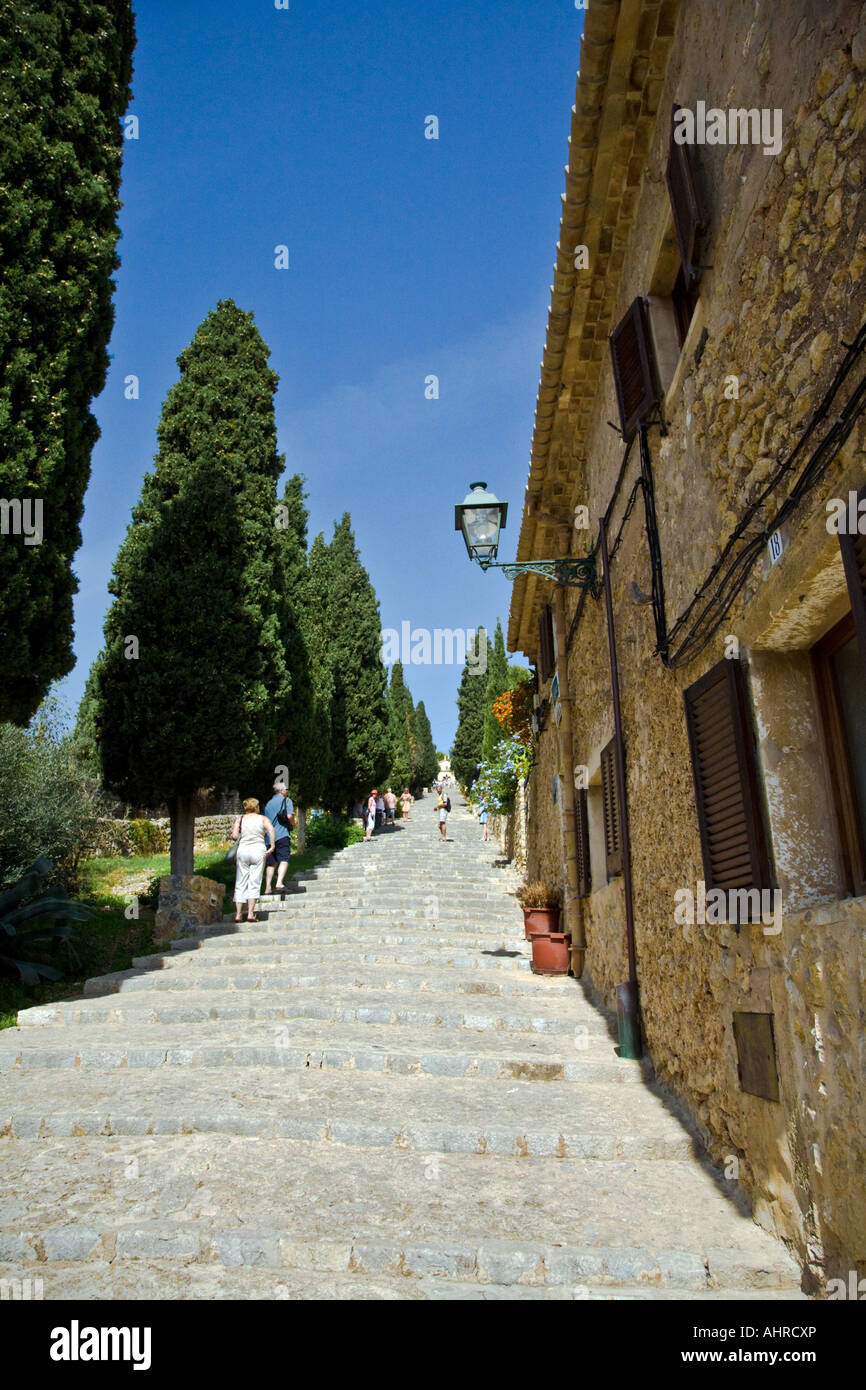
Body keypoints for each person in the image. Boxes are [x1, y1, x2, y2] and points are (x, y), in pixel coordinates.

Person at [231, 798, 275, 922]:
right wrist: (272, 846)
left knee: (240, 882)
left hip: (243, 850)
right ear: (256, 807)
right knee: (254, 881)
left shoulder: (240, 819)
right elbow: (271, 830)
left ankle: (238, 914)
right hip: (258, 850)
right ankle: (250, 913)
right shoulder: (262, 819)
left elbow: (234, 836)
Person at [263, 780, 294, 895]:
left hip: (269, 837)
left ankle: (267, 888)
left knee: (271, 863)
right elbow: (289, 816)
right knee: (284, 859)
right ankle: (279, 883)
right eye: (286, 789)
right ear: (281, 791)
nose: (286, 791)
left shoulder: (268, 803)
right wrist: (293, 824)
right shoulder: (287, 800)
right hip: (282, 834)